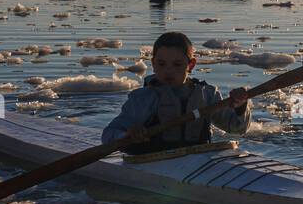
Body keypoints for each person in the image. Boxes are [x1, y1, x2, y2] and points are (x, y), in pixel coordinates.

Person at [102, 31, 250, 155]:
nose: (168, 71)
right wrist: (128, 134)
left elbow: (238, 129)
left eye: (177, 64)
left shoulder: (207, 94)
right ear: (153, 64)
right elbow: (108, 135)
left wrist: (240, 105)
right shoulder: (143, 99)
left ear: (190, 65)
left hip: (199, 160)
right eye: (161, 64)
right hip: (153, 161)